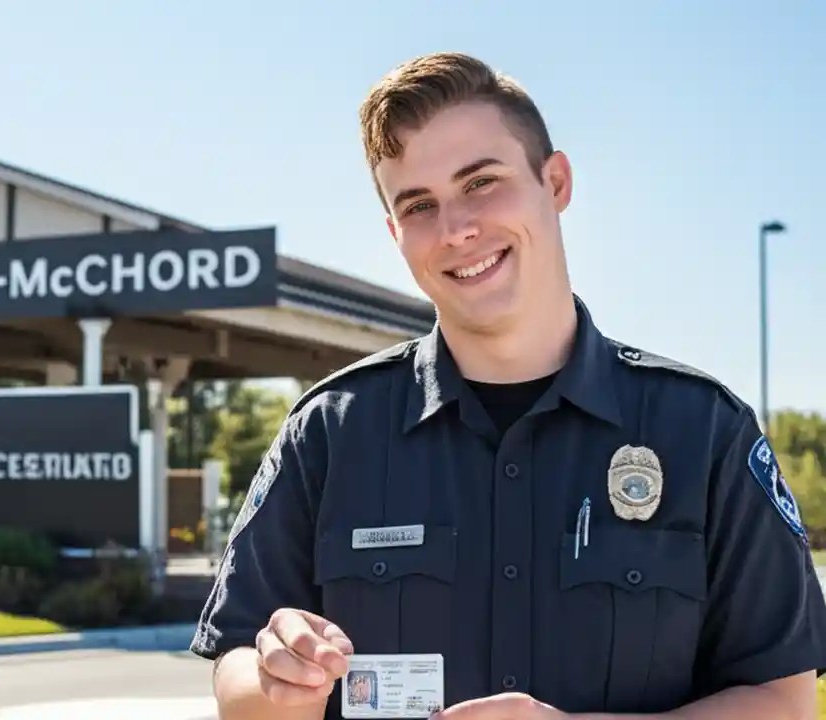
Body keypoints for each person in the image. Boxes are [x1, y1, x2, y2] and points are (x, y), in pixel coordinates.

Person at [190, 51, 826, 720]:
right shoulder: (330, 431)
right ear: (394, 233)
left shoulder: (703, 432)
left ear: (555, 182)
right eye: (419, 206)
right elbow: (236, 671)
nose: (457, 229)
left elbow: (781, 701)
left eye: (481, 182)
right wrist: (278, 679)